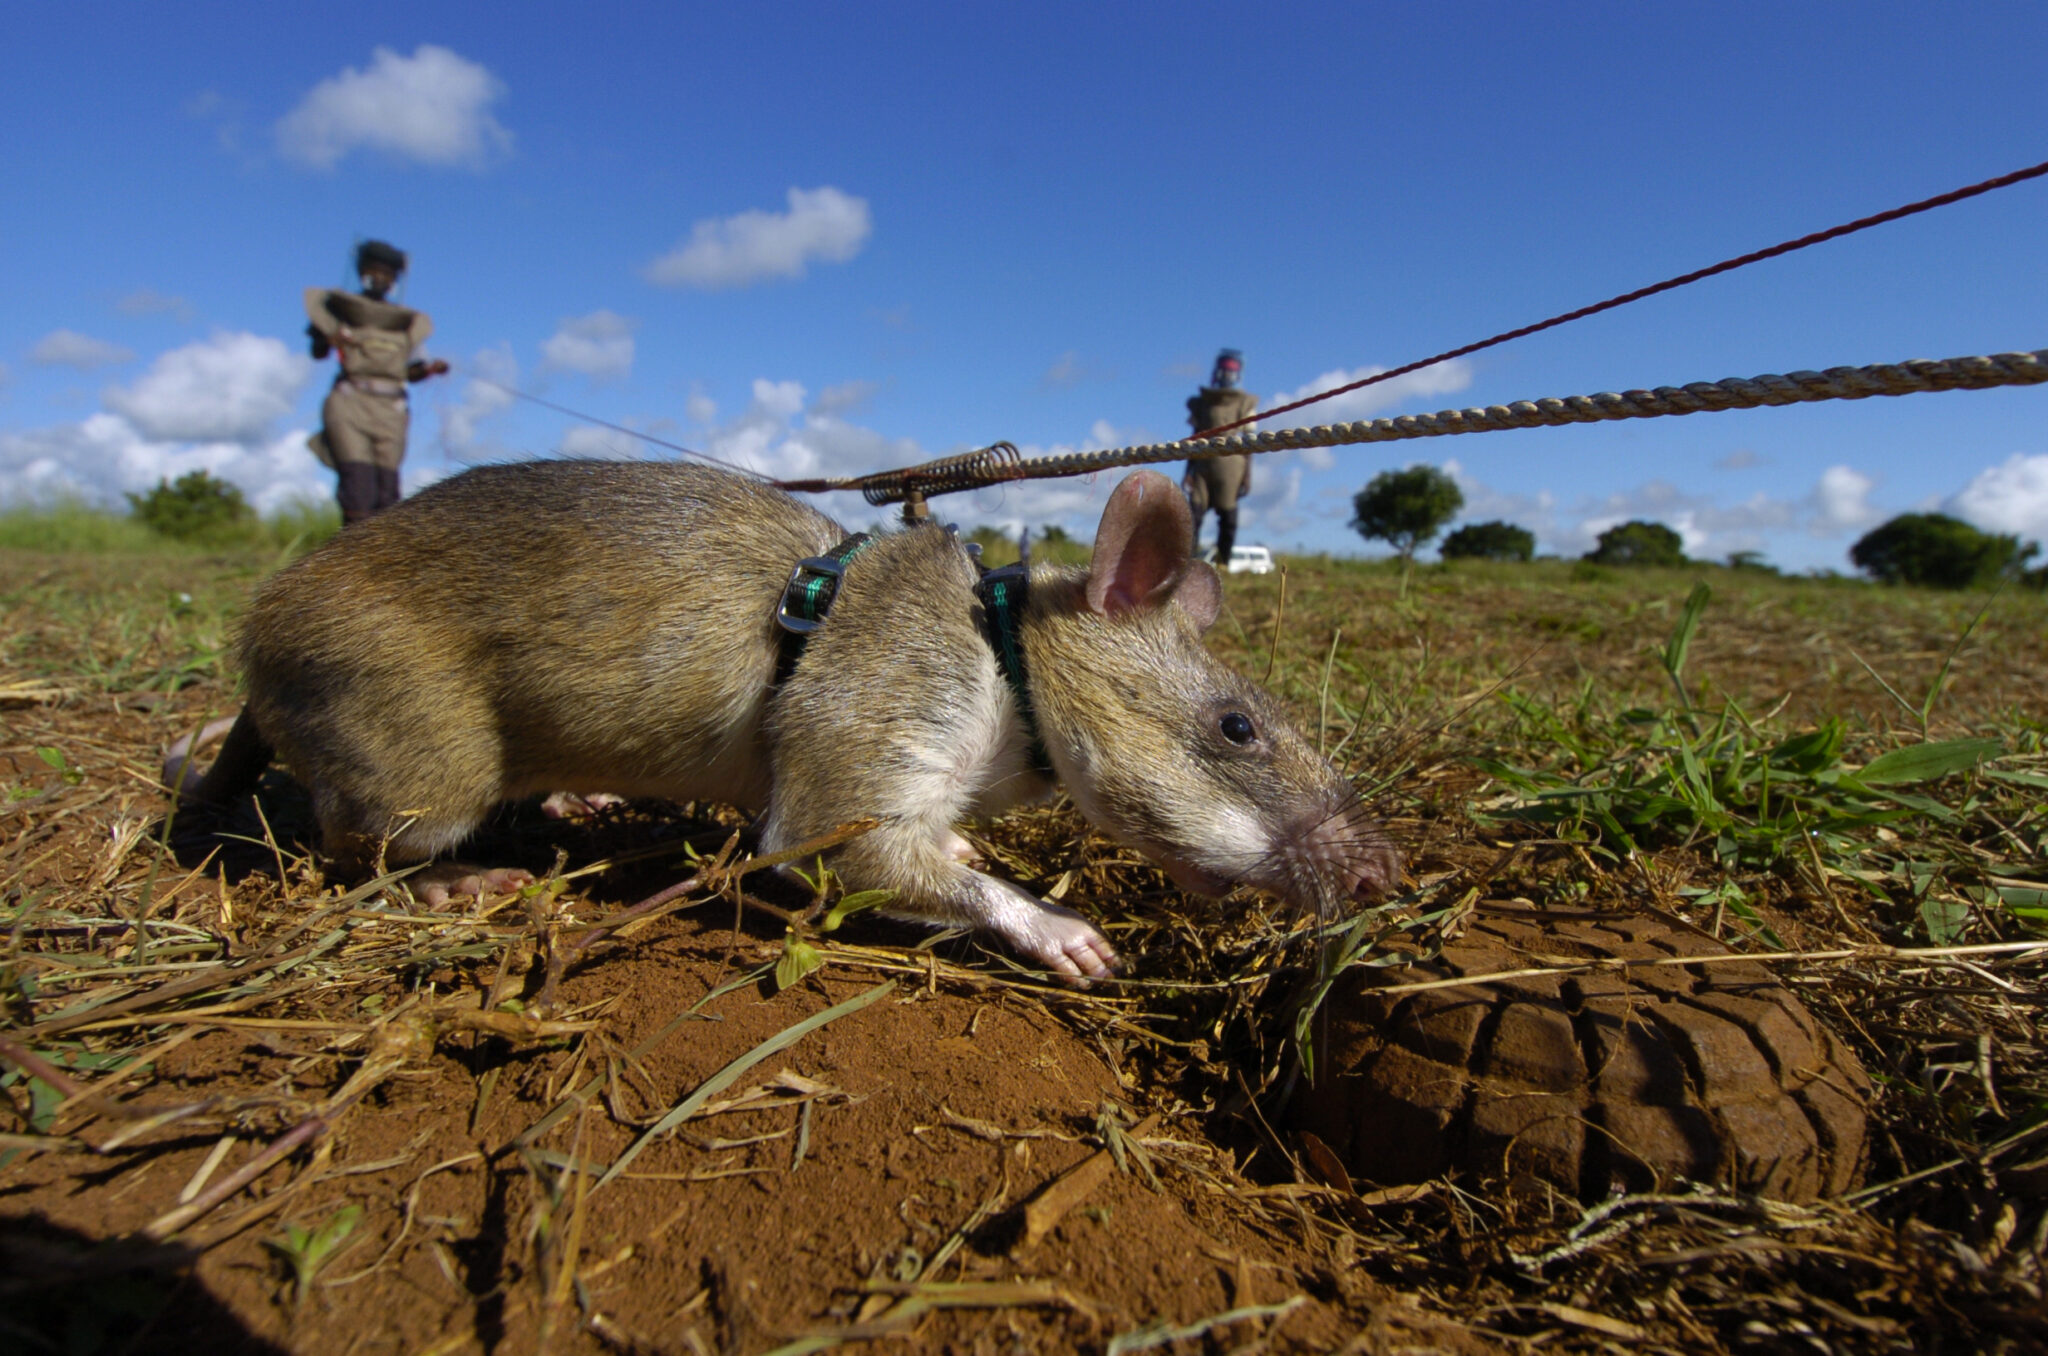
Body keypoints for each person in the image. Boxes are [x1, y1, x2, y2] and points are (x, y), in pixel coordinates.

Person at [304, 240, 449, 525]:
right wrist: (329, 336)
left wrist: (431, 369)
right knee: (358, 486)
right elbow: (318, 352)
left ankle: (381, 564)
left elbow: (412, 372)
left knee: (387, 493)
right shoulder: (340, 313)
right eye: (373, 272)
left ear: (395, 280)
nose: (379, 279)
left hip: (391, 411)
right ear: (361, 273)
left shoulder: (405, 325)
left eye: (387, 274)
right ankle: (350, 563)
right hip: (350, 403)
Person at [1182, 348, 1258, 565]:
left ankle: (1224, 561)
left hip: (1232, 466)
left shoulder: (1245, 404)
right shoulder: (1202, 404)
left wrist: (1247, 476)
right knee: (1193, 513)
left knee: (1228, 516)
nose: (1227, 374)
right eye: (1225, 369)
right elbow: (1194, 437)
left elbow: (1249, 441)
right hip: (1202, 465)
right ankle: (1185, 561)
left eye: (1232, 370)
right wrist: (1189, 471)